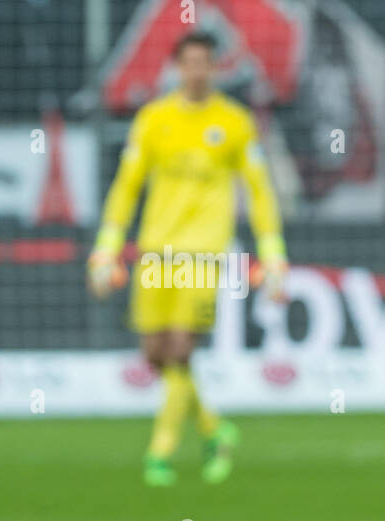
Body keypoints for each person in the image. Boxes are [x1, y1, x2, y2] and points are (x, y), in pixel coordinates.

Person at [86, 31, 288, 485]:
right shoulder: (154, 119)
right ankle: (215, 429)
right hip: (157, 252)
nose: (198, 70)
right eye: (190, 62)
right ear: (177, 68)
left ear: (215, 67)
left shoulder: (234, 122)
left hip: (202, 255)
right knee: (156, 355)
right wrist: (106, 246)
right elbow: (126, 185)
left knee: (180, 347)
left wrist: (272, 253)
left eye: (206, 63)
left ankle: (158, 453)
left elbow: (259, 193)